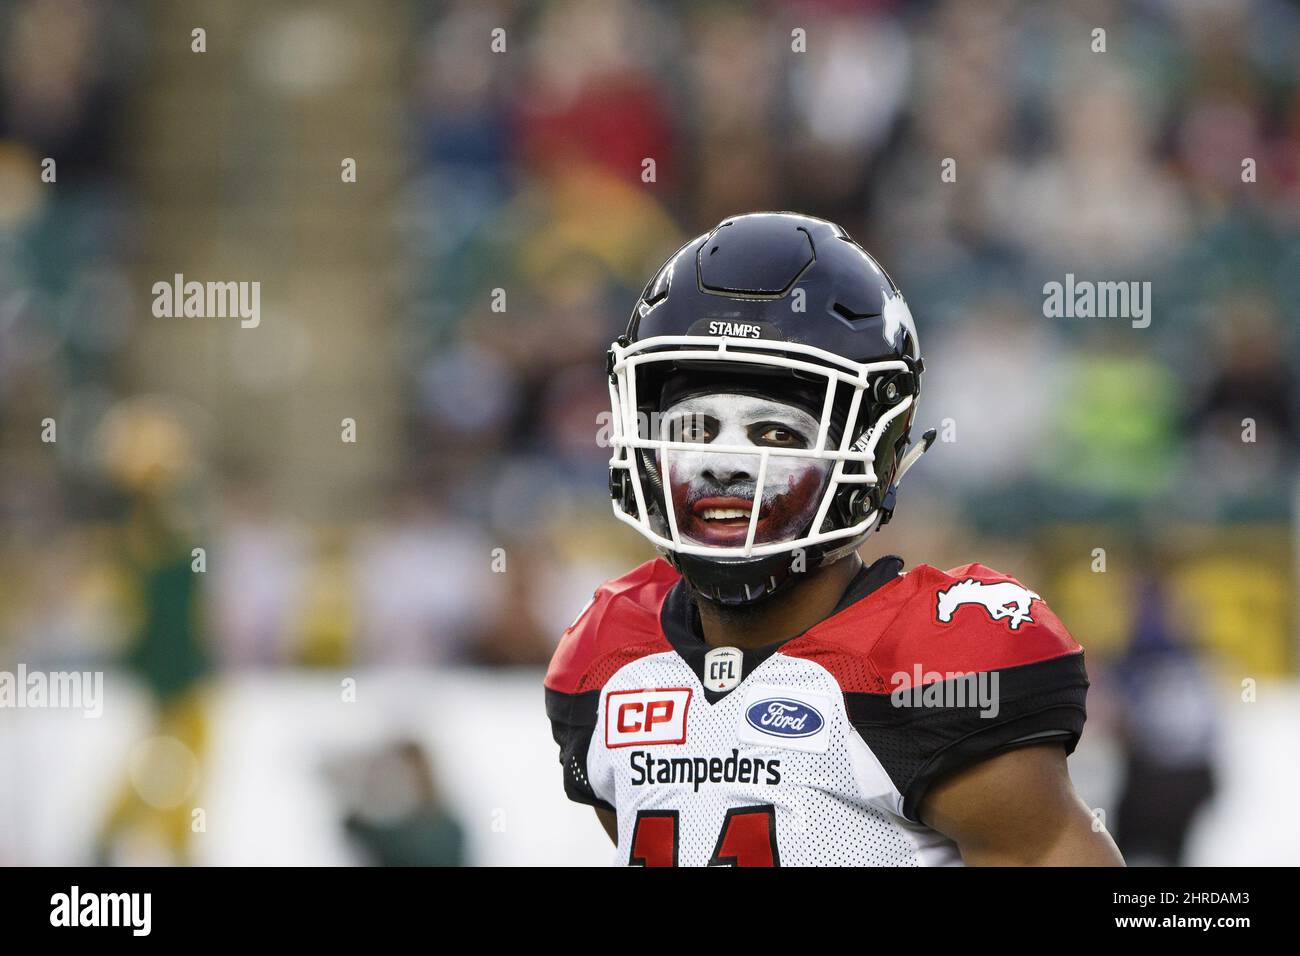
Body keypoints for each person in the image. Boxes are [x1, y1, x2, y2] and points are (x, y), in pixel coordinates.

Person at [544, 212, 1123, 866]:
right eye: (696, 428)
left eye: (775, 434)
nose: (725, 465)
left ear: (875, 445)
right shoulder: (610, 652)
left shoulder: (932, 673)